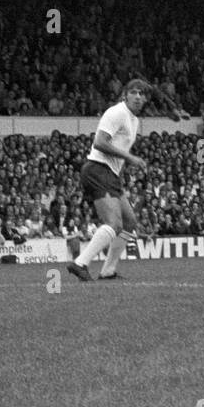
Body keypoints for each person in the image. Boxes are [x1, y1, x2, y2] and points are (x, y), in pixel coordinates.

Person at [66, 78, 151, 282]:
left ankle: (108, 270)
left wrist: (125, 166)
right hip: (97, 169)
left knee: (129, 222)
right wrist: (130, 157)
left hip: (110, 174)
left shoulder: (134, 120)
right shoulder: (117, 112)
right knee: (113, 223)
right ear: (125, 94)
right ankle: (79, 263)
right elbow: (99, 142)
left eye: (142, 94)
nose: (138, 97)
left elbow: (117, 150)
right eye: (134, 92)